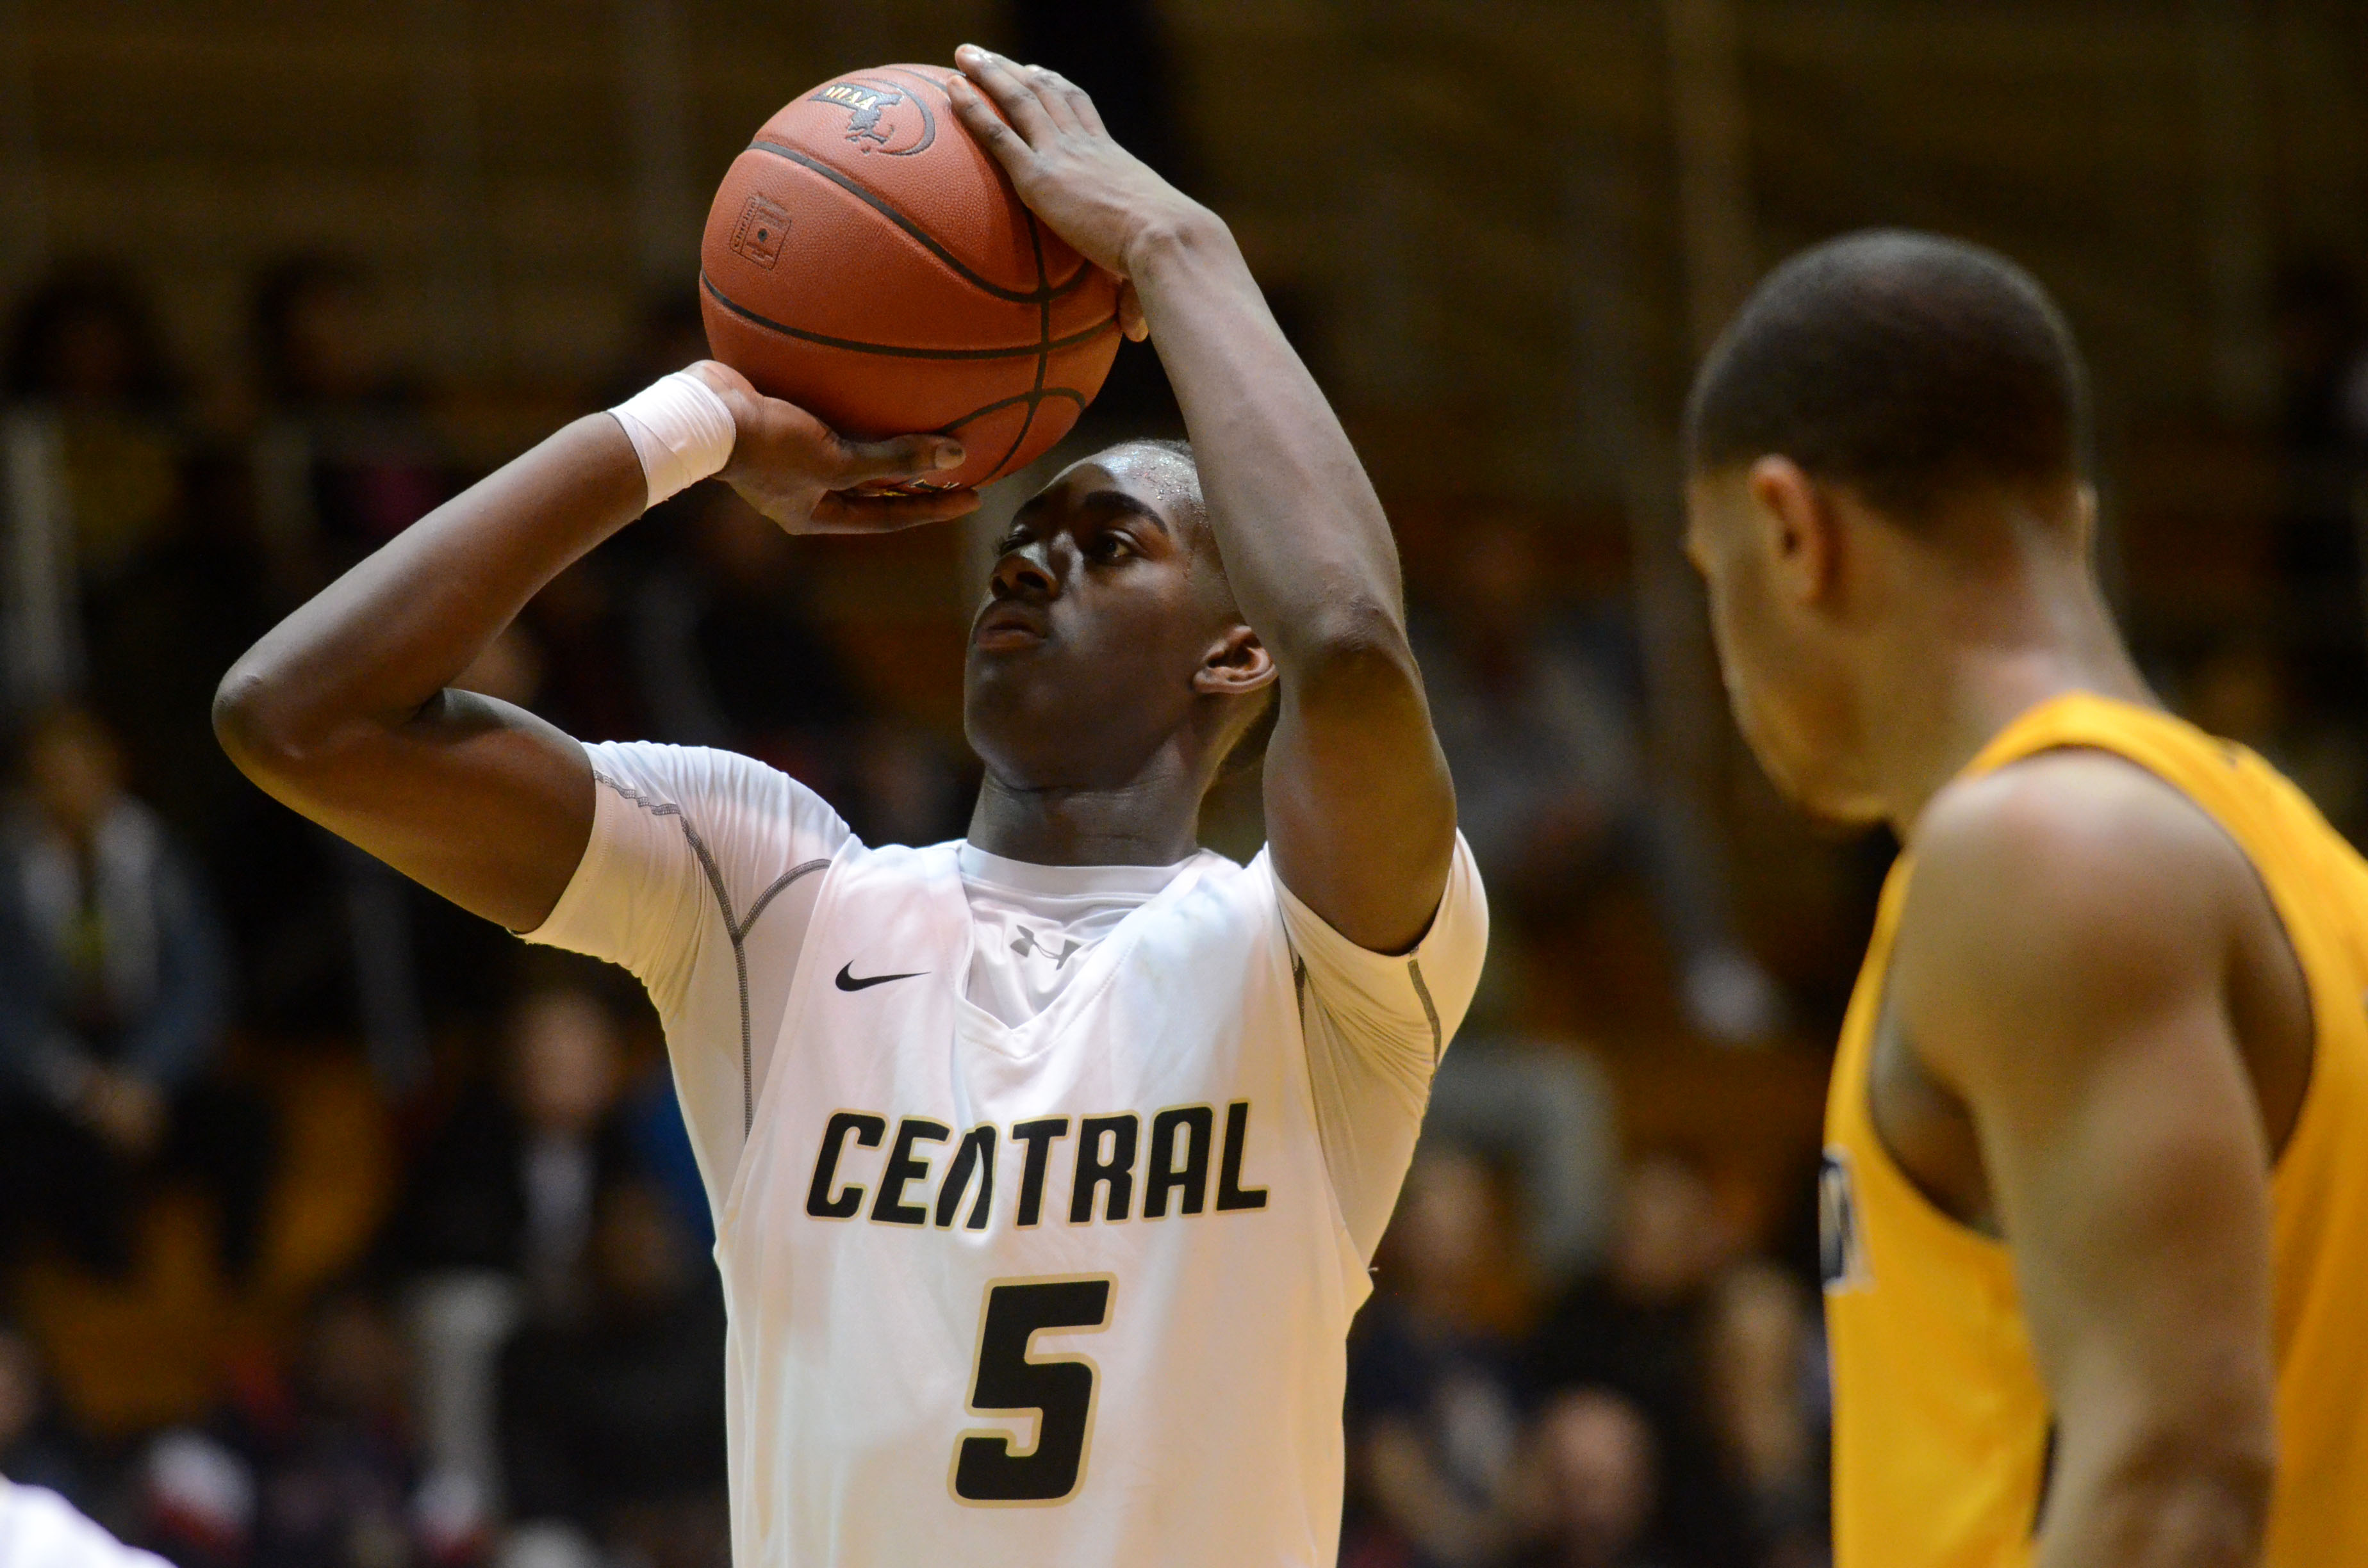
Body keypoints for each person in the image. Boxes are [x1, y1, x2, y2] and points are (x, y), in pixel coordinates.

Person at [214, 44, 1486, 1568]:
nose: (1028, 561)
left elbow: (1348, 645)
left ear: (1236, 645)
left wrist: (1174, 244)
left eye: (1110, 541)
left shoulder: (1317, 967)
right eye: (1023, 534)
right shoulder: (773, 894)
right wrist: (693, 425)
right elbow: (296, 717)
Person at [1680, 229, 2368, 1566]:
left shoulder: (2041, 850)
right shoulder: (2290, 849)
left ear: (1792, 530)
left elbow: (2176, 1485)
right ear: (2076, 518)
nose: (1723, 657)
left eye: (1718, 584)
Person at [0, 705, 267, 1283]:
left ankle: (235, 1298)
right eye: (51, 774)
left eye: (81, 768)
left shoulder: (159, 857)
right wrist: (81, 1086)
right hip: (56, 1071)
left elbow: (201, 982)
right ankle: (102, 1301)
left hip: (151, 1062)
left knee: (246, 1124)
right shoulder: (12, 870)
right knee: (41, 1158)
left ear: (113, 769)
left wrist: (143, 1079)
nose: (68, 787)